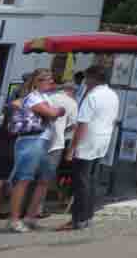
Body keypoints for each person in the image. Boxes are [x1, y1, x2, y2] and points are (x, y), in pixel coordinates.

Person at [6, 69, 66, 233]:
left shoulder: (43, 97)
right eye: (48, 80)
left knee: (44, 179)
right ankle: (15, 219)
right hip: (31, 141)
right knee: (24, 179)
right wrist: (59, 110)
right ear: (37, 81)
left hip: (43, 141)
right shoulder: (33, 97)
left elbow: (52, 114)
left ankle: (30, 217)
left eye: (52, 80)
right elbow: (52, 113)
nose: (51, 83)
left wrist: (56, 112)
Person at [61, 64, 119, 232]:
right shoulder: (112, 94)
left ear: (93, 79)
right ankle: (87, 216)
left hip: (88, 140)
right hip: (103, 138)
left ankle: (78, 219)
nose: (85, 82)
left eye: (87, 78)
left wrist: (72, 148)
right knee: (91, 179)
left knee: (81, 181)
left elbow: (82, 124)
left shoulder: (92, 96)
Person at [25, 79, 79, 225]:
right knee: (44, 180)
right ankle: (37, 210)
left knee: (31, 176)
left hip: (37, 140)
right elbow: (73, 126)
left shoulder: (47, 98)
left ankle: (26, 207)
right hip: (55, 143)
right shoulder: (72, 103)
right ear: (72, 91)